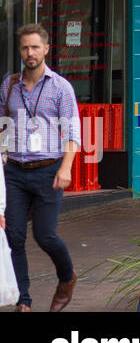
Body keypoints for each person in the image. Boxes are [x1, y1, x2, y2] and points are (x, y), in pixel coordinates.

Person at [2, 24, 80, 312]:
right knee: (14, 236)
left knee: (45, 235)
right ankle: (24, 301)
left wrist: (66, 168)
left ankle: (67, 276)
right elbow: (1, 127)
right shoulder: (9, 85)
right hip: (15, 172)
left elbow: (73, 132)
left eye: (35, 47)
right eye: (25, 47)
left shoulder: (61, 87)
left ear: (46, 49)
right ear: (20, 50)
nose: (30, 53)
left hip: (49, 170)